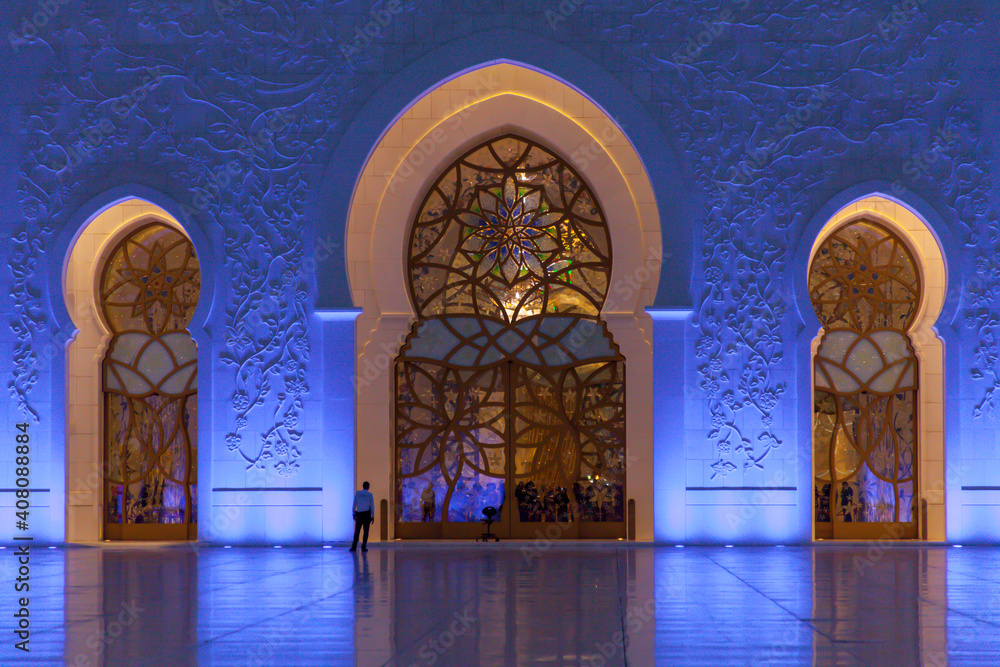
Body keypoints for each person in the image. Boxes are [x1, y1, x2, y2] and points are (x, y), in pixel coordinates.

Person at [350, 481, 375, 552]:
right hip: (367, 514)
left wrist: (353, 513)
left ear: (363, 486)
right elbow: (372, 506)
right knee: (366, 532)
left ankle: (354, 547)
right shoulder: (370, 495)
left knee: (357, 531)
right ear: (368, 487)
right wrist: (373, 516)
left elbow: (354, 504)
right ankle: (363, 547)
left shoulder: (357, 494)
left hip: (359, 514)